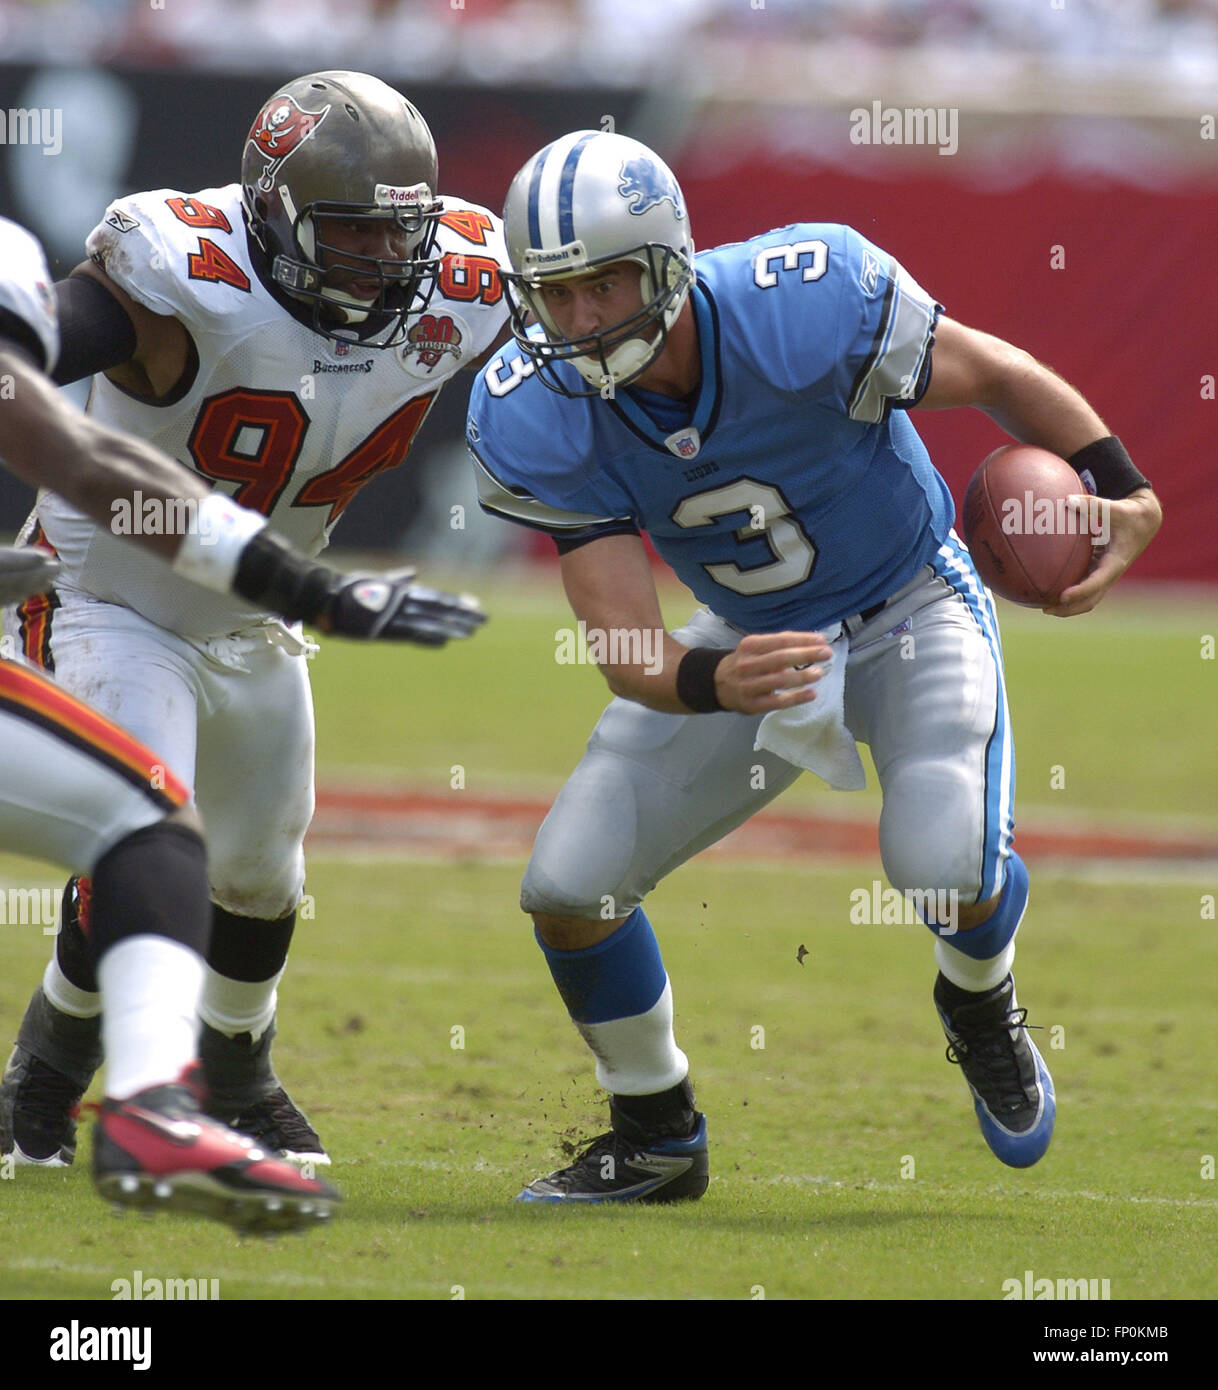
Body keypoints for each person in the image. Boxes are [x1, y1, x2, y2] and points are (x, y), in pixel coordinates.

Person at [466, 130, 1162, 1202]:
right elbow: (625, 647)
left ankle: (978, 996)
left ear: (663, 262)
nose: (580, 320)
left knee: (942, 866)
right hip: (748, 639)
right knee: (569, 885)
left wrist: (1123, 485)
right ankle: (656, 1132)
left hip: (911, 603)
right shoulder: (534, 408)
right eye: (554, 295)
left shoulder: (807, 298)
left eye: (602, 283)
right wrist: (713, 682)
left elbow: (997, 374)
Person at [1, 70, 508, 1173]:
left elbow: (582, 344)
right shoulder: (181, 272)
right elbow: (31, 365)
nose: (388, 259)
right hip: (107, 598)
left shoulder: (465, 274)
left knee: (264, 875)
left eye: (399, 233)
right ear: (274, 215)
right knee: (143, 837)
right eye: (355, 233)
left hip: (255, 606)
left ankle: (237, 1068)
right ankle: (47, 1079)